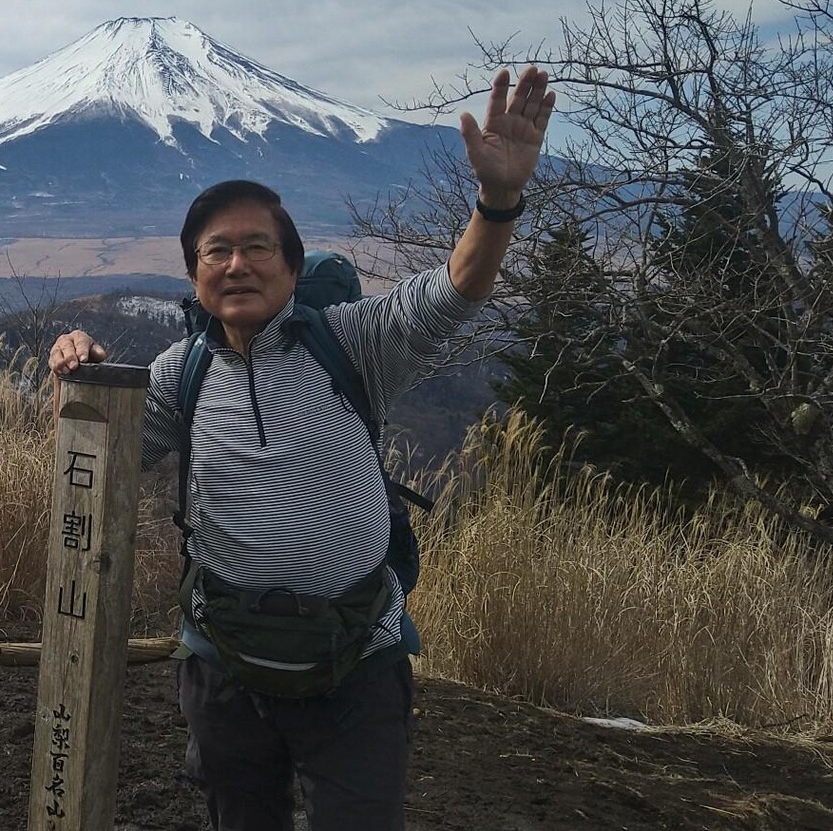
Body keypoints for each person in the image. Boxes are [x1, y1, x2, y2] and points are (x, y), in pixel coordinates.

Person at [49, 66, 555, 830]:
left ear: (291, 266)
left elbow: (456, 288)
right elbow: (94, 463)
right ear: (194, 274)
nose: (237, 263)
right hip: (225, 666)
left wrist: (498, 200)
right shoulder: (180, 373)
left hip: (357, 664)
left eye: (257, 246)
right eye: (217, 250)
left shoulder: (353, 342)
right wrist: (76, 376)